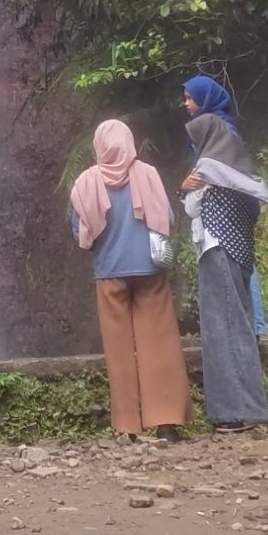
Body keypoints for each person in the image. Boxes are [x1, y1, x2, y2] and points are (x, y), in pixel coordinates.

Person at [69, 119, 192, 441]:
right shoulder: (148, 173)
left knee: (119, 350)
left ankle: (127, 426)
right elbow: (168, 218)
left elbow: (79, 233)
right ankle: (166, 423)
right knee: (159, 343)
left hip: (110, 272)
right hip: (150, 270)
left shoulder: (86, 182)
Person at [181, 113, 268, 429]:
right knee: (240, 326)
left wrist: (184, 189)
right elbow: (254, 210)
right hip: (241, 252)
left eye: (195, 139)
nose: (194, 144)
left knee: (222, 331)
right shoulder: (239, 166)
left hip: (216, 251)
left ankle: (235, 412)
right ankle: (252, 406)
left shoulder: (206, 167)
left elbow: (192, 208)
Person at [182, 76, 268, 336]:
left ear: (204, 98)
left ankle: (255, 326)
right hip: (227, 208)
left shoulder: (220, 130)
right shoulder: (210, 128)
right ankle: (253, 326)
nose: (185, 103)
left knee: (239, 266)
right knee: (241, 265)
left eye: (190, 98)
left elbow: (229, 172)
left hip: (229, 209)